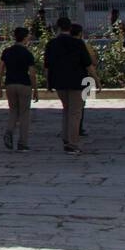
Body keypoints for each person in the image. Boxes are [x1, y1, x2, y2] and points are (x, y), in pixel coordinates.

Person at [43, 17, 95, 155]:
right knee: (75, 112)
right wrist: (96, 79)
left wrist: (48, 82)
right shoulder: (78, 43)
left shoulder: (51, 44)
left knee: (66, 109)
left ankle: (66, 138)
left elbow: (47, 66)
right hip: (77, 81)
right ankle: (72, 143)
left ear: (57, 27)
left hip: (59, 81)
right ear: (70, 28)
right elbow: (88, 64)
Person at [0, 26, 38, 151]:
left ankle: (9, 131)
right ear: (25, 38)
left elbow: (0, 70)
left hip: (10, 84)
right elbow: (32, 73)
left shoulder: (7, 51)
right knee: (24, 114)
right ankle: (22, 143)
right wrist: (35, 89)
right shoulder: (27, 53)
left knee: (13, 111)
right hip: (24, 84)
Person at [70, 23, 96, 137]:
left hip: (66, 78)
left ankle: (69, 128)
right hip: (84, 78)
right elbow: (93, 62)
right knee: (81, 104)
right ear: (80, 33)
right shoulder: (84, 45)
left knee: (68, 105)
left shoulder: (63, 45)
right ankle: (78, 128)